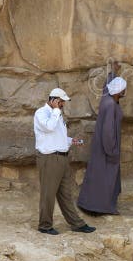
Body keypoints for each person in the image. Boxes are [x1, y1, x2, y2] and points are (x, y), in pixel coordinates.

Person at [34, 88, 95, 235]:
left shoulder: (57, 115)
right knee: (48, 194)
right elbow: (49, 127)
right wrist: (55, 110)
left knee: (65, 193)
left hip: (61, 158)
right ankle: (45, 225)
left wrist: (71, 141)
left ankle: (77, 224)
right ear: (54, 100)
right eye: (61, 102)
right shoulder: (42, 113)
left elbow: (56, 136)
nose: (63, 105)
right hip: (49, 159)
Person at [77, 72, 127, 216]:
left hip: (100, 147)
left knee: (96, 175)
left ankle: (87, 204)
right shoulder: (111, 106)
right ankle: (100, 208)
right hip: (107, 148)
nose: (125, 91)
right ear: (118, 91)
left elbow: (107, 87)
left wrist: (113, 72)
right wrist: (111, 151)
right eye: (123, 89)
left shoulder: (107, 98)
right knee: (105, 178)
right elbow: (108, 131)